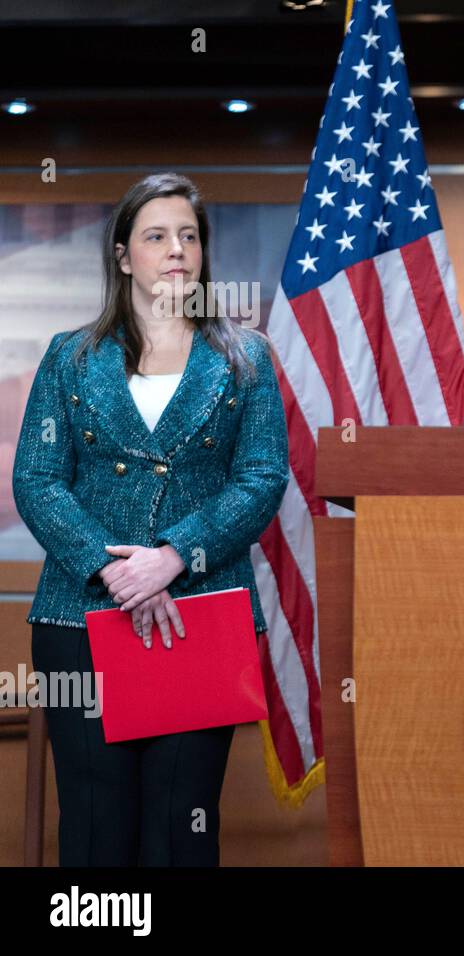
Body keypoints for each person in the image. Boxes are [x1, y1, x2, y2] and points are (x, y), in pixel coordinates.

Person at [12, 172, 290, 866]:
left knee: (180, 827)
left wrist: (171, 556)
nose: (176, 250)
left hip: (200, 614)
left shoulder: (246, 358)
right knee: (97, 827)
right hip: (82, 617)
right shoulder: (69, 356)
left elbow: (261, 478)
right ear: (123, 254)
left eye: (189, 236)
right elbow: (37, 479)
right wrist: (114, 570)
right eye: (157, 236)